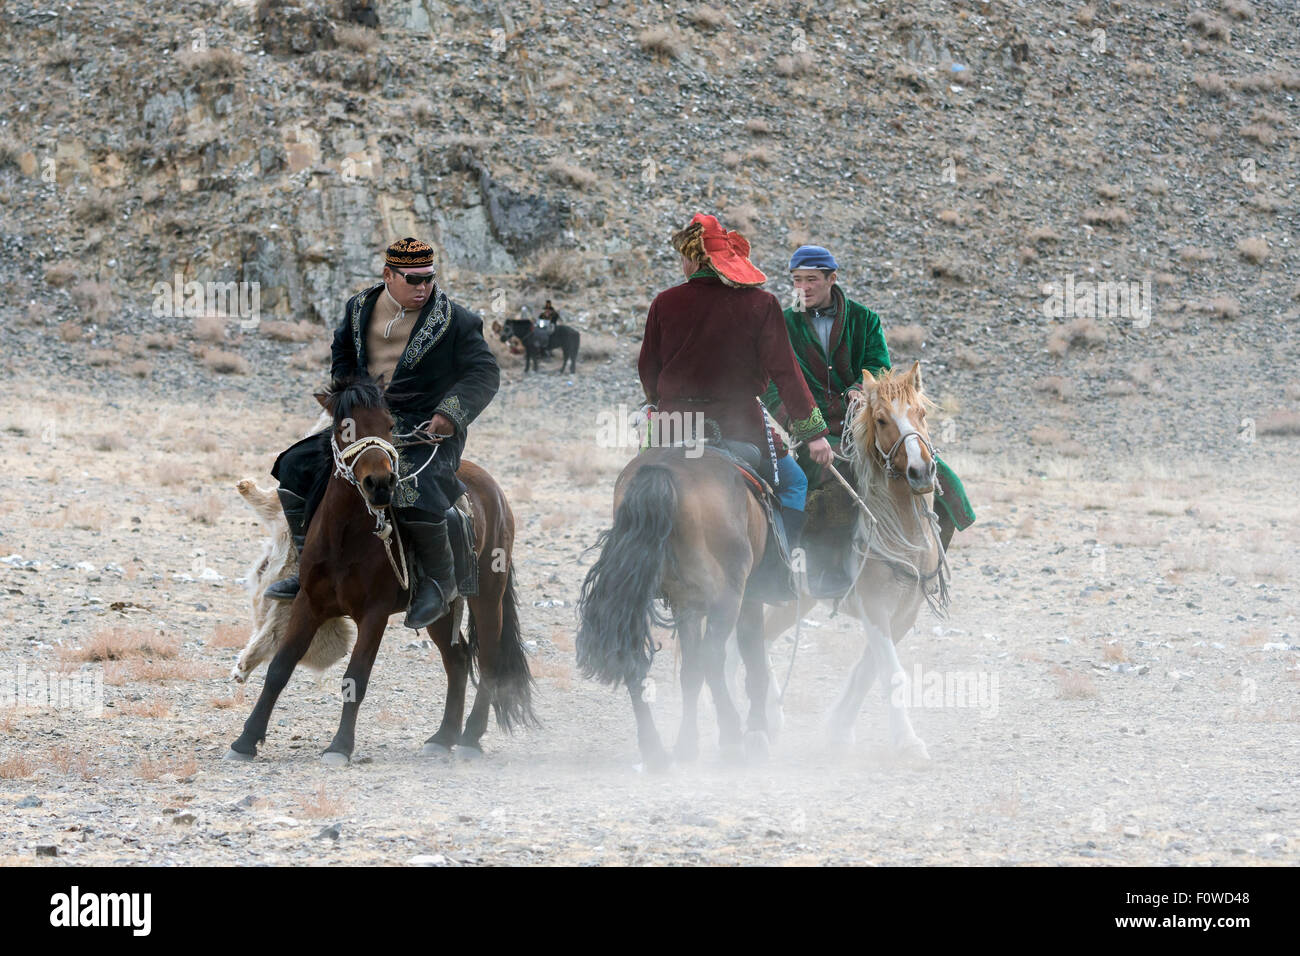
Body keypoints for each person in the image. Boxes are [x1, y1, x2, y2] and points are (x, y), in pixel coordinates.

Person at [264, 237, 500, 629]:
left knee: (407, 486)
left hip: (425, 429)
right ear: (388, 275)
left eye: (429, 279)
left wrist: (449, 413)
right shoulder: (358, 309)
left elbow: (485, 373)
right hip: (366, 424)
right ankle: (307, 569)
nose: (424, 287)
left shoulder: (456, 321)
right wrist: (350, 398)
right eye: (413, 279)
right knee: (293, 468)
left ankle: (439, 584)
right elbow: (341, 354)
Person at [762, 245, 974, 587]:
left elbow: (878, 363)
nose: (803, 288)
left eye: (812, 280)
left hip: (869, 426)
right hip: (816, 434)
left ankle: (930, 565)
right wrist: (801, 424)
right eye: (797, 280)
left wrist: (862, 387)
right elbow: (771, 385)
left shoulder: (864, 319)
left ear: (833, 279)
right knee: (836, 485)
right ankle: (828, 570)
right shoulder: (783, 325)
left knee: (945, 482)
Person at [638, 213, 832, 553]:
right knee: (793, 482)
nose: (682, 265)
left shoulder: (664, 303)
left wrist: (656, 404)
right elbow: (786, 373)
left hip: (672, 427)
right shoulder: (762, 304)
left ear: (694, 261)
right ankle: (777, 570)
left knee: (637, 487)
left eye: (684, 258)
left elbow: (648, 371)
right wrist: (813, 433)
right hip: (738, 428)